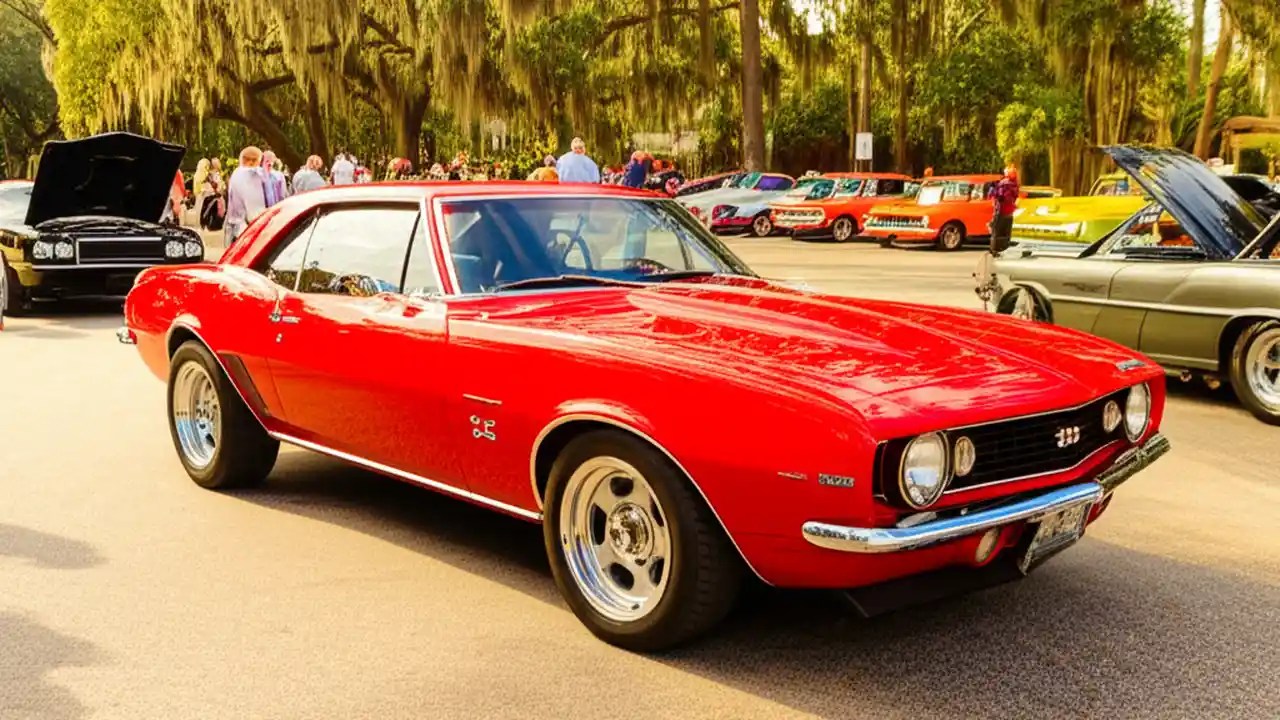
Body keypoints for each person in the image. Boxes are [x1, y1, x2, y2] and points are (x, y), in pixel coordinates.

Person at [225, 146, 267, 245]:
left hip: (234, 224)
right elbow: (254, 207)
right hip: (247, 228)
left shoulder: (236, 173)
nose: (251, 163)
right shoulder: (251, 174)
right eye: (248, 159)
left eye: (254, 160)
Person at [986, 164, 1020, 254]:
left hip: (1001, 211)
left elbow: (997, 196)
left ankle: (995, 249)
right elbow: (1015, 196)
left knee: (996, 231)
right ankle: (1004, 248)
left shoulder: (1003, 184)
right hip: (1010, 212)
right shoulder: (1015, 185)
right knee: (1007, 233)